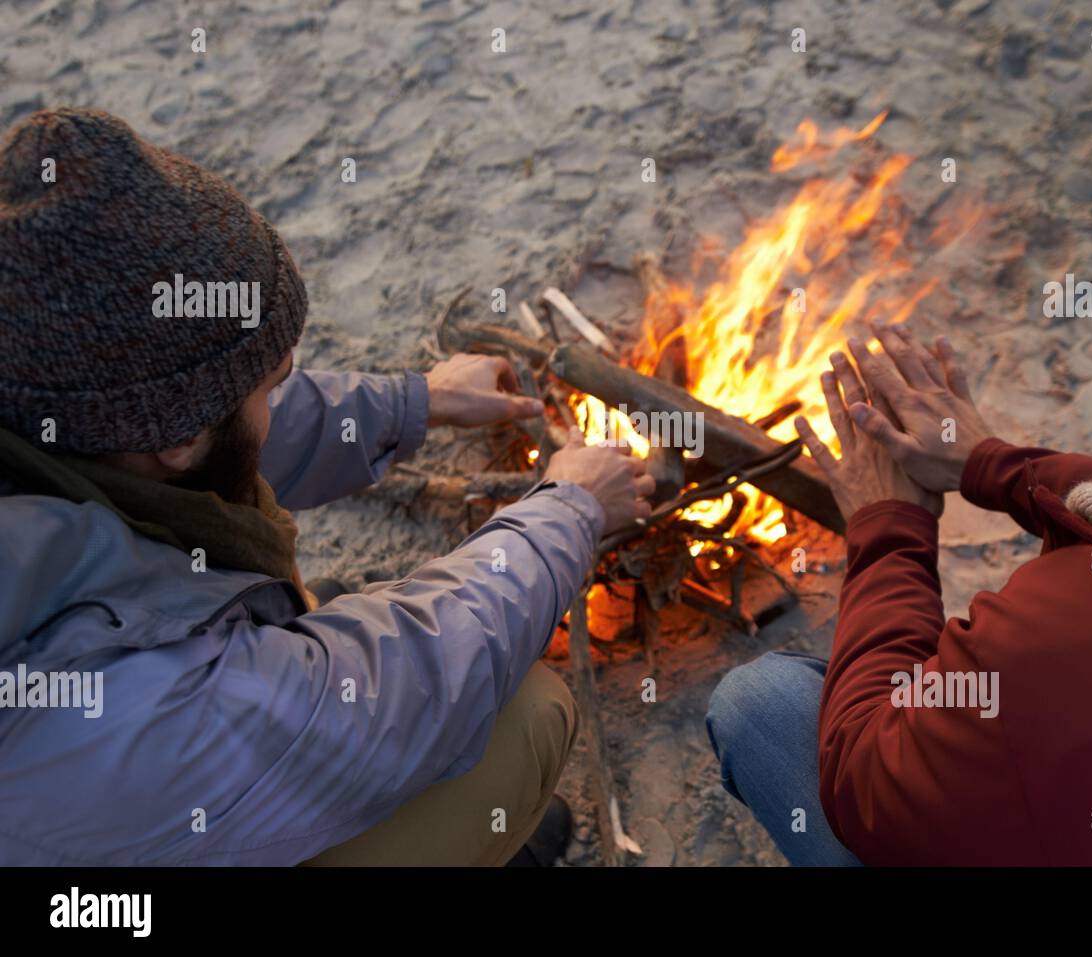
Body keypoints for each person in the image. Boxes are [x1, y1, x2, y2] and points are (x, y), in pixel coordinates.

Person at [0, 107, 653, 865]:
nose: (279, 398)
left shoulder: (51, 419)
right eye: (271, 384)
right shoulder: (118, 704)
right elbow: (400, 688)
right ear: (179, 437)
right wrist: (569, 509)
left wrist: (416, 400)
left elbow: (208, 430)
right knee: (527, 714)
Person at [707, 63, 1092, 866]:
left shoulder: (1049, 648)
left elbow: (863, 779)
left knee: (763, 702)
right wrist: (997, 464)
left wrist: (890, 529)